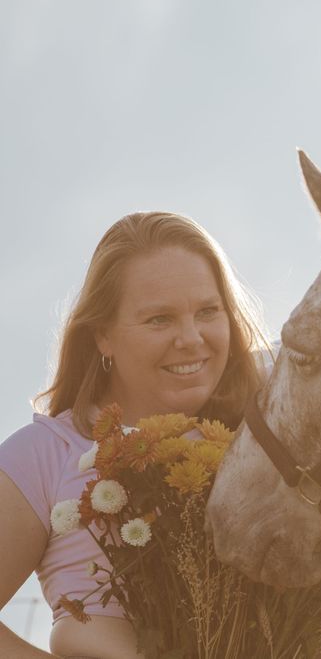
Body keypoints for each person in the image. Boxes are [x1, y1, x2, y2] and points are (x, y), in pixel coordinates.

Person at [0, 212, 270, 658]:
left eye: (207, 311)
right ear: (103, 335)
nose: (191, 338)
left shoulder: (270, 436)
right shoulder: (45, 454)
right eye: (159, 320)